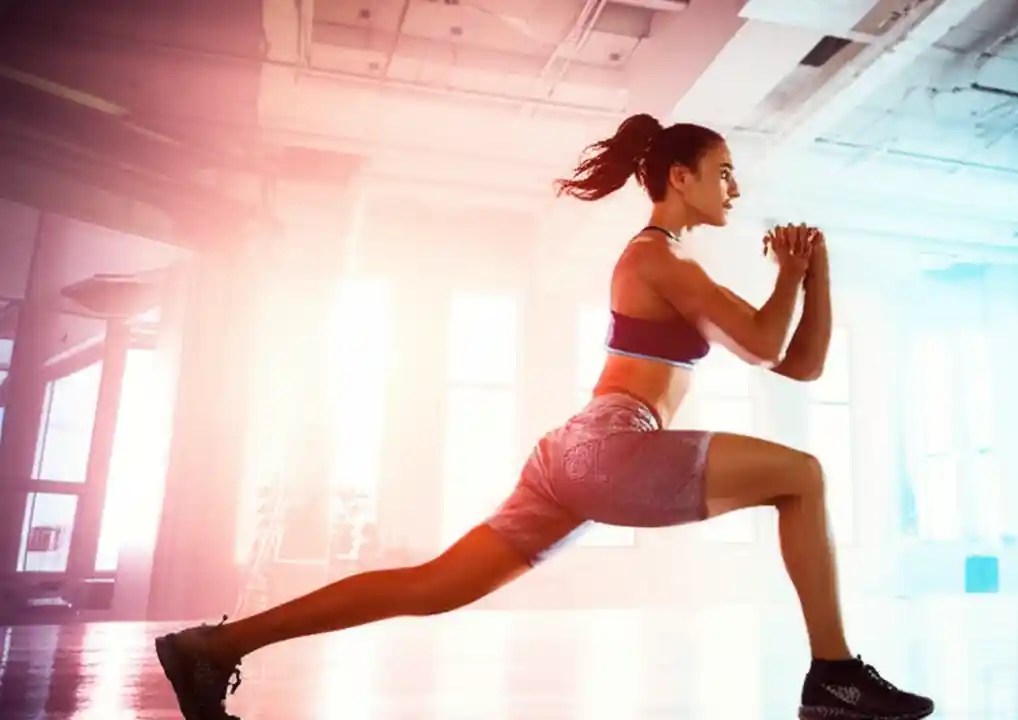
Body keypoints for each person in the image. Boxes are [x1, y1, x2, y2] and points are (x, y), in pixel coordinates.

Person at [154, 113, 935, 720]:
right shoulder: (658, 257)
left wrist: (816, 271)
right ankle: (833, 677)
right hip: (606, 448)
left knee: (431, 588)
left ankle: (212, 645)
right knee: (802, 475)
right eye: (724, 174)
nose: (735, 189)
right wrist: (792, 273)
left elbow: (800, 365)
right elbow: (769, 342)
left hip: (580, 454)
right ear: (680, 176)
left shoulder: (675, 266)